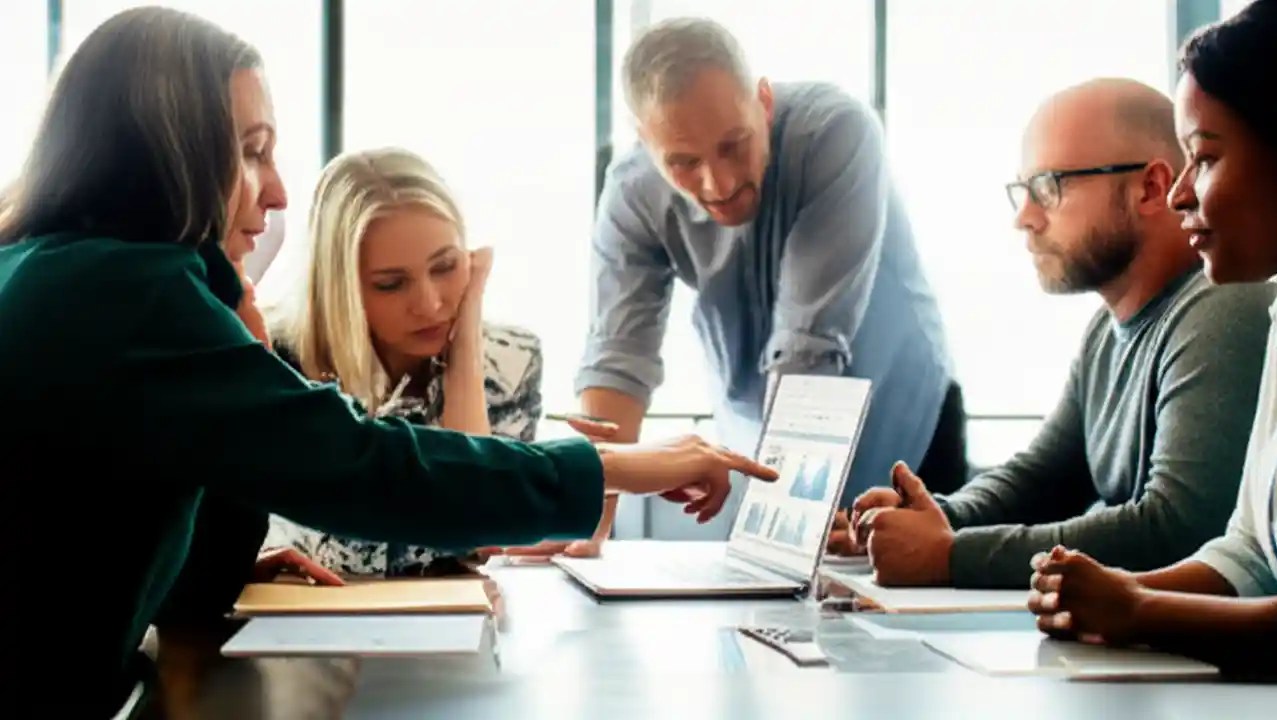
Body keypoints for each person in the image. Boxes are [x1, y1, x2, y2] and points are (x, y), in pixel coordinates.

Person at [0, 8, 776, 715]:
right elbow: (363, 466)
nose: (275, 195)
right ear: (163, 152)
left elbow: (198, 472)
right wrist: (616, 465)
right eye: (251, 153)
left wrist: (224, 565)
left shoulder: (59, 272)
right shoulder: (121, 294)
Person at [840, 77, 1277, 589]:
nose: (1024, 218)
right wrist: (925, 518)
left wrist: (952, 554)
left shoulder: (1225, 306)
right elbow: (1043, 477)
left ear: (1151, 188)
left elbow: (1176, 528)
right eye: (1023, 191)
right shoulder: (1107, 330)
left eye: (1049, 186)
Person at [575, 17, 963, 546]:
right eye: (684, 162)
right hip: (766, 437)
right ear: (645, 140)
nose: (720, 182)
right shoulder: (631, 193)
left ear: (764, 101)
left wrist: (789, 524)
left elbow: (809, 346)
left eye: (734, 145)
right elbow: (617, 361)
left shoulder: (837, 133)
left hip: (904, 423)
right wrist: (586, 521)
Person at [1028, 0, 1277, 674]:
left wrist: (1138, 610)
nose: (1181, 195)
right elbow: (1252, 555)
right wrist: (1106, 593)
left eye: (1204, 159)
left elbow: (1176, 523)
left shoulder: (1225, 311)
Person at [259, 146, 597, 573]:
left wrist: (467, 347)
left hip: (453, 624)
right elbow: (342, 548)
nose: (430, 304)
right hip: (293, 625)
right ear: (339, 286)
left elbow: (481, 526)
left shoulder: (511, 362)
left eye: (445, 267)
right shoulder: (277, 359)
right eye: (391, 284)